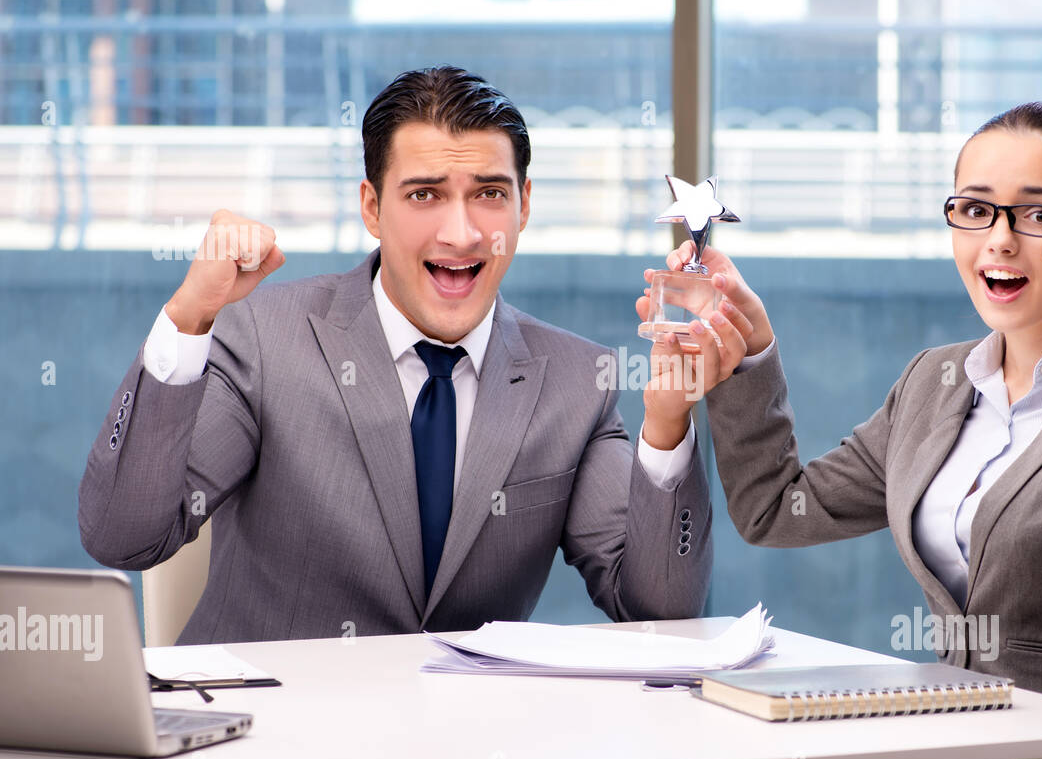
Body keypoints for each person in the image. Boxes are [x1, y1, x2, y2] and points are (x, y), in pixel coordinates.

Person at [640, 101, 1042, 759]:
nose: (1001, 241)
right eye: (976, 210)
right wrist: (752, 350)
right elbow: (777, 509)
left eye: (1041, 216)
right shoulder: (935, 382)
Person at [79, 66, 714, 643]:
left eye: (489, 193)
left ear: (524, 205)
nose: (461, 233)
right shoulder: (265, 338)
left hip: (462, 753)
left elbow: (657, 615)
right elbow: (125, 537)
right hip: (270, 746)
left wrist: (666, 425)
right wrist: (190, 318)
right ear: (372, 208)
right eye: (424, 195)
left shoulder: (579, 384)